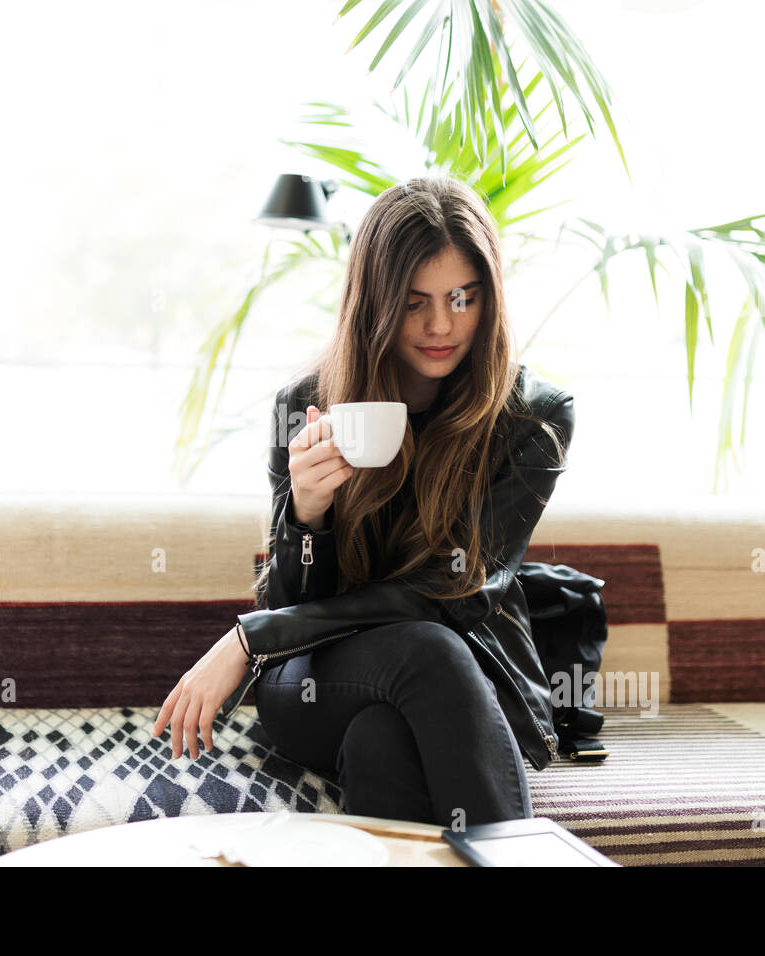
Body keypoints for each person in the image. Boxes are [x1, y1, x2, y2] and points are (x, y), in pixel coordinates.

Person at [151, 174, 574, 827]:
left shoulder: (532, 418)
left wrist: (248, 639)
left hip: (465, 688)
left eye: (463, 297)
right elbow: (294, 596)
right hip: (319, 681)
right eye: (413, 302)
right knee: (422, 655)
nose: (442, 324)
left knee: (382, 740)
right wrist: (308, 515)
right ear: (374, 301)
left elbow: (449, 594)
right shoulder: (306, 406)